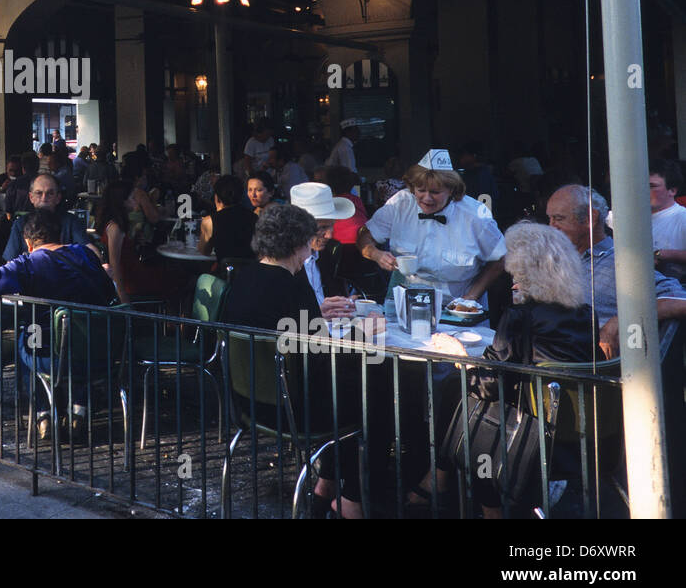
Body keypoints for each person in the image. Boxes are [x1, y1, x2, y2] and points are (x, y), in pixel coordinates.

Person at [412, 222, 601, 517]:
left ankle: (469, 497)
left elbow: (487, 384)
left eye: (515, 273)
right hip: (588, 431)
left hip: (532, 437)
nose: (512, 279)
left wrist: (458, 355)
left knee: (464, 395)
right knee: (470, 398)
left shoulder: (520, 317)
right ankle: (440, 479)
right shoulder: (586, 312)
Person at [221, 203, 384, 518]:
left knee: (349, 387)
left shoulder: (245, 276)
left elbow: (279, 327)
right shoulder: (293, 284)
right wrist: (365, 333)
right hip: (294, 411)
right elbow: (318, 356)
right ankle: (351, 498)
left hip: (247, 403)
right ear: (298, 243)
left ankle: (327, 482)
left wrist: (316, 315)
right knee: (374, 395)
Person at [0, 209, 115, 438]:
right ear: (60, 236)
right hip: (98, 354)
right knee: (74, 338)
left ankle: (43, 412)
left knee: (26, 340)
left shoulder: (27, 263)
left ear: (28, 242)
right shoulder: (86, 255)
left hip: (50, 358)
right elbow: (108, 293)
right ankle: (79, 409)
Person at [547, 184, 686, 358]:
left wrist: (621, 320)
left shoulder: (618, 263)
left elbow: (680, 300)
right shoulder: (557, 261)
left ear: (590, 218)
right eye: (550, 219)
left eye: (559, 219)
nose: (551, 227)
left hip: (589, 372)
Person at [357, 149, 506, 304]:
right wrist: (376, 255)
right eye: (420, 190)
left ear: (452, 190)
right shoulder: (400, 203)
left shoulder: (475, 216)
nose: (426, 198)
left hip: (459, 304)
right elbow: (365, 236)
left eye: (435, 192)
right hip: (410, 301)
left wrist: (470, 297)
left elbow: (500, 258)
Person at [96, 180, 186, 309]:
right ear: (123, 201)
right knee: (179, 279)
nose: (135, 201)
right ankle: (176, 323)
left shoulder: (113, 225)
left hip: (133, 276)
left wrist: (134, 240)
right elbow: (115, 265)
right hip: (132, 281)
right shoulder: (116, 228)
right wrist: (123, 298)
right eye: (132, 197)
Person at [2, 173, 90, 262]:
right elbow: (10, 262)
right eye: (39, 193)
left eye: (50, 193)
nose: (44, 198)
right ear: (31, 197)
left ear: (58, 198)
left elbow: (90, 251)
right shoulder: (20, 224)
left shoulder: (71, 222)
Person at [198, 175, 256, 265]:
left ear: (216, 197)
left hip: (224, 276)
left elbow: (204, 251)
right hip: (251, 275)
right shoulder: (255, 217)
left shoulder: (210, 221)